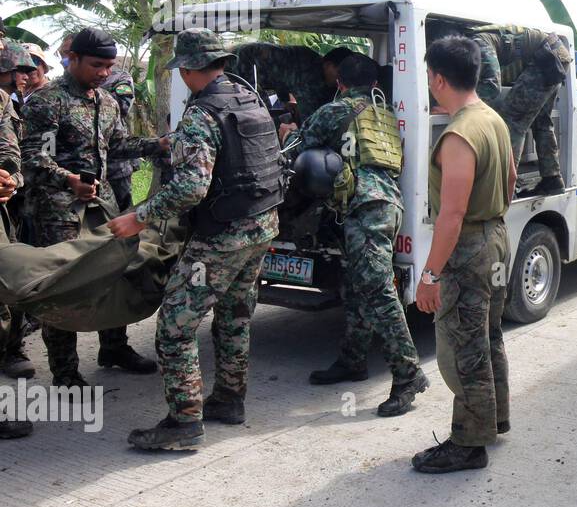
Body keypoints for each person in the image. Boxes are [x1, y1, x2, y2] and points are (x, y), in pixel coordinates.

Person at [108, 29, 283, 450]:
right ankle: (228, 398)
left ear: (187, 70)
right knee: (234, 315)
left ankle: (184, 423)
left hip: (222, 237)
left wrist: (140, 218)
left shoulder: (202, 115)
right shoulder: (251, 102)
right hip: (262, 226)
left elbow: (191, 188)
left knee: (174, 329)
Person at [21, 27, 166, 386]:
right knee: (64, 285)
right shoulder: (48, 101)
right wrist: (68, 180)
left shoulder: (106, 102)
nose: (104, 72)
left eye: (109, 66)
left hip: (102, 205)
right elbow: (33, 156)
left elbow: (118, 145)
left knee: (114, 272)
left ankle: (114, 347)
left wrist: (158, 144)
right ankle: (65, 370)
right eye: (97, 65)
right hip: (60, 211)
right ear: (74, 60)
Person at [288, 53, 428, 416]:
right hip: (386, 204)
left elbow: (302, 148)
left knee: (379, 292)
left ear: (340, 83)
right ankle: (353, 359)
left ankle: (408, 373)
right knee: (356, 285)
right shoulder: (384, 113)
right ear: (376, 83)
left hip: (366, 210)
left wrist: (289, 131)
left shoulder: (336, 110)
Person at [411, 35, 515, 474]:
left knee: (462, 346)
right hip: (495, 238)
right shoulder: (492, 119)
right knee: (488, 335)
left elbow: (451, 215)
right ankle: (496, 417)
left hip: (468, 246)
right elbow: (510, 178)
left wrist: (430, 275)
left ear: (437, 78)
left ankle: (469, 443)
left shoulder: (458, 135)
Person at [468, 24, 572, 196]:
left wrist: (462, 103)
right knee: (541, 122)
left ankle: (506, 187)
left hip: (547, 58)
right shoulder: (483, 37)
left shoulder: (478, 42)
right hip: (556, 55)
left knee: (513, 120)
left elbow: (493, 85)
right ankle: (552, 179)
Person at [0, 45, 35, 380]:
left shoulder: (7, 103)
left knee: (14, 280)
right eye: (20, 70)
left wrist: (12, 179)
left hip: (13, 207)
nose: (27, 77)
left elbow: (13, 154)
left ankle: (13, 348)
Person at [101, 64, 139, 211]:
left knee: (121, 213)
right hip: (85, 167)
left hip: (116, 164)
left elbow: (123, 106)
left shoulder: (120, 77)